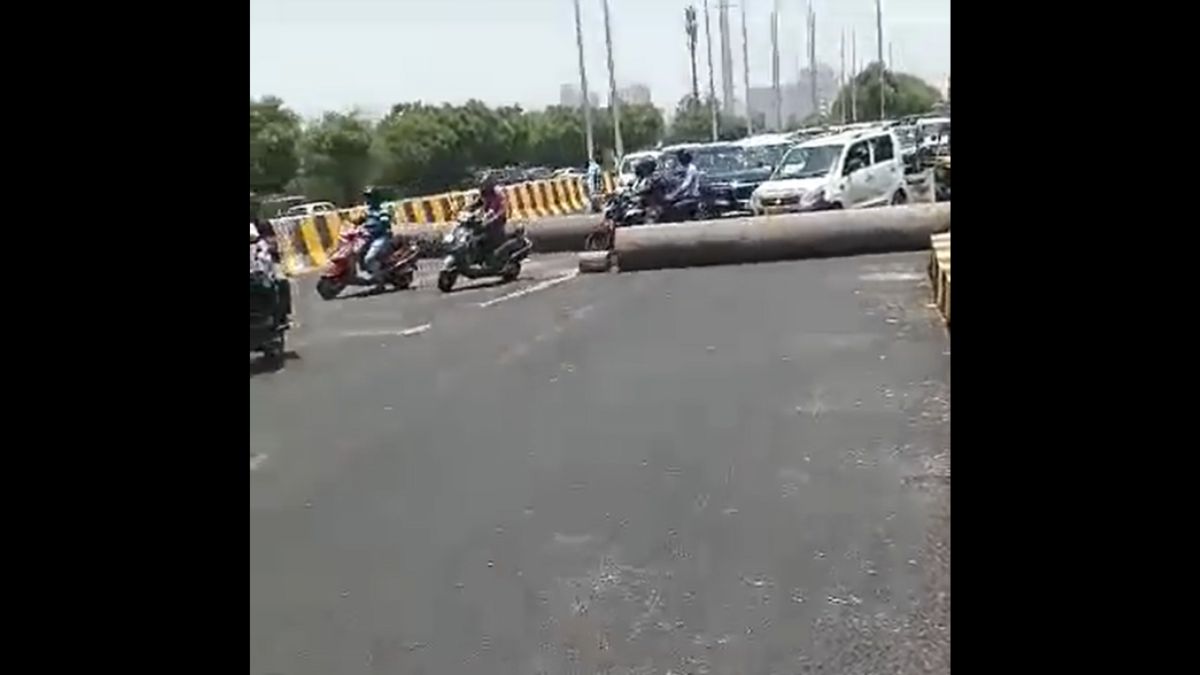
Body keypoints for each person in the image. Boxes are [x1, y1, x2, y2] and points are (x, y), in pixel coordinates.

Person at [358, 186, 393, 284]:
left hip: (381, 237)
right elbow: (360, 220)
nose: (368, 199)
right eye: (367, 197)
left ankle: (380, 283)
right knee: (357, 252)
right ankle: (369, 273)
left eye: (370, 197)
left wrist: (375, 227)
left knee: (369, 259)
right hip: (369, 237)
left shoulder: (383, 208)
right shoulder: (368, 209)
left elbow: (385, 222)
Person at [475, 176, 509, 262]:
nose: (483, 187)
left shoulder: (497, 193)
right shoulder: (483, 192)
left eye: (485, 185)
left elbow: (501, 207)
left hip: (497, 216)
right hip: (488, 215)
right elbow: (478, 203)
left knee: (493, 235)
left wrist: (493, 216)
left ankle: (498, 257)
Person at [663, 149, 701, 220]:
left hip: (691, 196)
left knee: (675, 207)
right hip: (682, 196)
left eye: (681, 157)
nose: (680, 159)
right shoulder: (681, 168)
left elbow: (685, 185)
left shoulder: (691, 169)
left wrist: (673, 194)